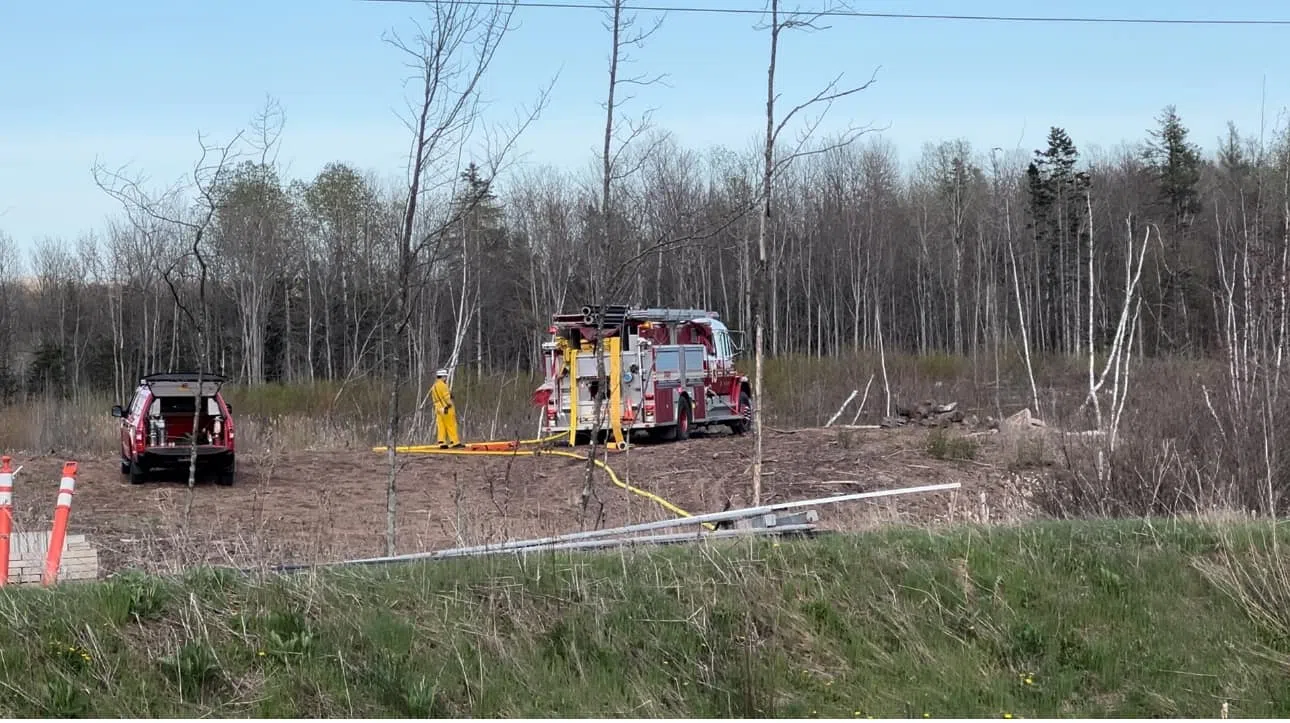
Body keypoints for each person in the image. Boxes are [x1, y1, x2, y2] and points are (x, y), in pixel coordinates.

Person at [430, 368, 463, 448]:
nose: (446, 378)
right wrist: (450, 403)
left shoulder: (433, 386)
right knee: (451, 425)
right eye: (445, 376)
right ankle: (455, 442)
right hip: (446, 409)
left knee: (441, 426)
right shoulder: (443, 386)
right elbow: (446, 397)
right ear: (442, 377)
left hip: (438, 410)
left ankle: (442, 442)